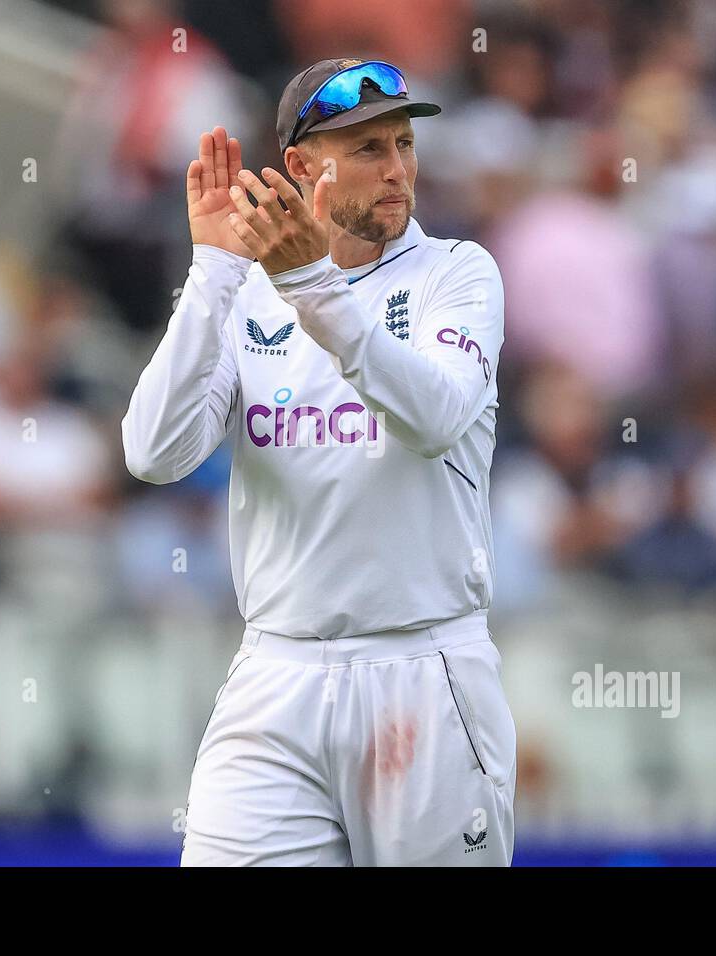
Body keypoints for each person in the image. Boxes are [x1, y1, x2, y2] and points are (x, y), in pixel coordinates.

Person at [122, 58, 515, 866]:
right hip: (276, 671)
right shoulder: (249, 295)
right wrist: (214, 273)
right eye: (368, 148)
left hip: (423, 668)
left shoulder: (459, 273)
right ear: (303, 166)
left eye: (404, 143)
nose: (398, 168)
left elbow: (435, 415)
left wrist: (310, 285)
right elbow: (153, 453)